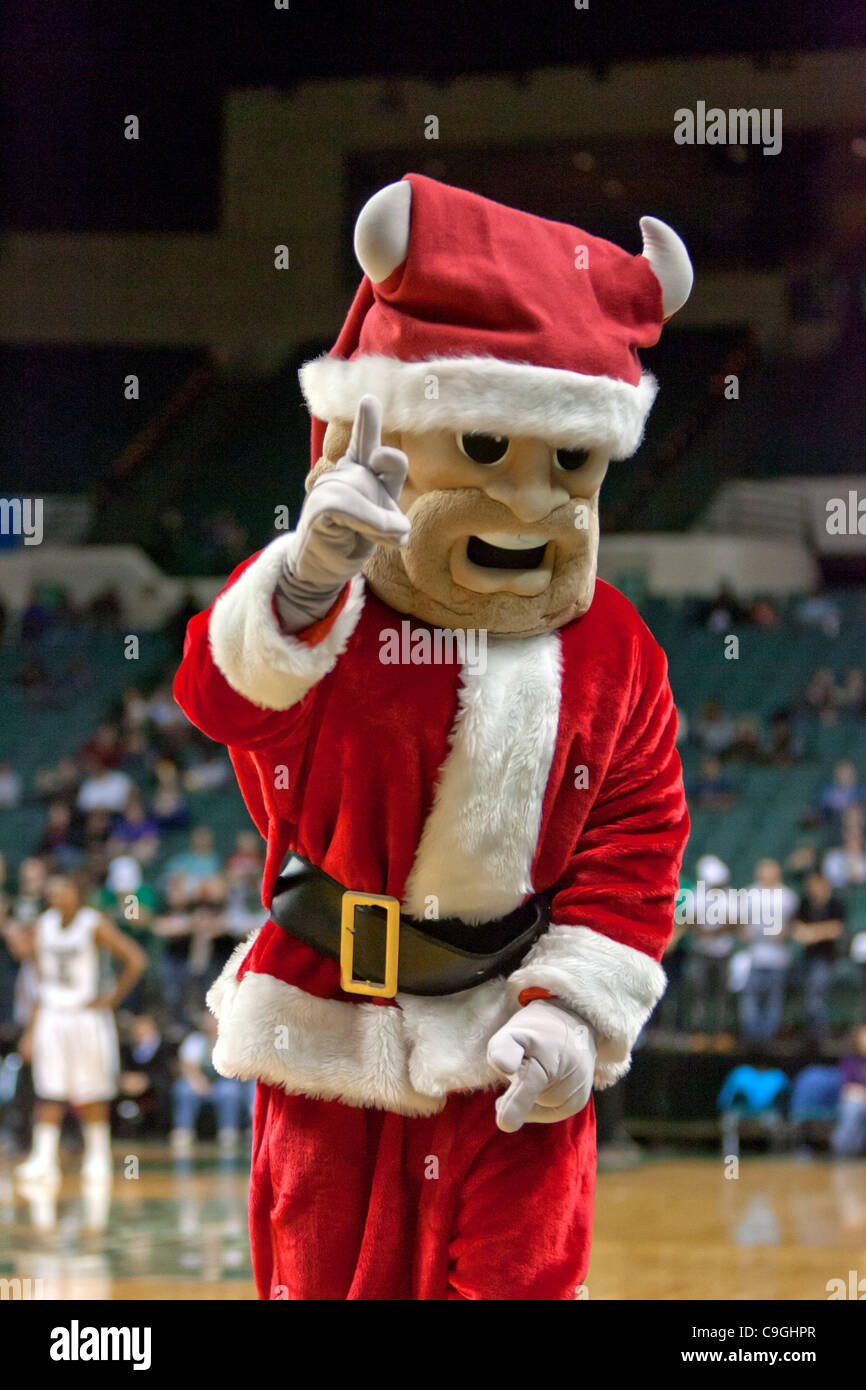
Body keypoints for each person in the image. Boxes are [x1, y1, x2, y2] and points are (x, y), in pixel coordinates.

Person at [174, 174, 692, 1300]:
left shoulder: (616, 646)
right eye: (486, 447)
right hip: (328, 1032)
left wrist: (567, 1015)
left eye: (567, 465)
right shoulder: (339, 603)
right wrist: (305, 582)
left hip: (515, 1028)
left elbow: (637, 844)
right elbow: (224, 699)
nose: (525, 502)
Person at [6, 872, 146, 1183]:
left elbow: (135, 959)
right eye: (52, 892)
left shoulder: (92, 923)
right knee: (49, 1089)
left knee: (92, 1089)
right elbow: (39, 983)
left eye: (62, 890)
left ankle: (97, 1158)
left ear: (77, 893)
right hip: (53, 1015)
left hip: (86, 1015)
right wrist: (31, 1029)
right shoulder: (43, 925)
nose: (56, 896)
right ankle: (44, 1160)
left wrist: (111, 999)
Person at [171, 1012, 253, 1154]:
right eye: (208, 1018)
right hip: (200, 1083)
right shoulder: (194, 1040)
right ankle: (184, 1130)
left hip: (224, 1083)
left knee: (230, 1091)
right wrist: (198, 1081)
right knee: (183, 1088)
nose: (211, 1022)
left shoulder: (232, 1041)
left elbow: (238, 1069)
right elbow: (186, 1066)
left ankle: (228, 1131)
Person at [737, 858, 797, 1043]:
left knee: (773, 1001)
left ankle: (768, 1038)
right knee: (750, 1001)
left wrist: (783, 932)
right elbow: (741, 925)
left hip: (777, 958)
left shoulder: (788, 896)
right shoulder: (749, 894)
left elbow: (790, 926)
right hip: (754, 957)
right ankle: (751, 1038)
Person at [790, 871, 846, 1042]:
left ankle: (818, 1036)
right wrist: (816, 932)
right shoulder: (805, 904)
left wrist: (812, 932)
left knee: (816, 995)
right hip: (806, 959)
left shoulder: (835, 904)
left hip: (826, 959)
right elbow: (796, 929)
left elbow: (837, 929)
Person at [831, 1024, 866, 1156]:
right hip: (854, 1099)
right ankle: (842, 1150)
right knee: (854, 1107)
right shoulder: (850, 1060)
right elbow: (846, 1086)